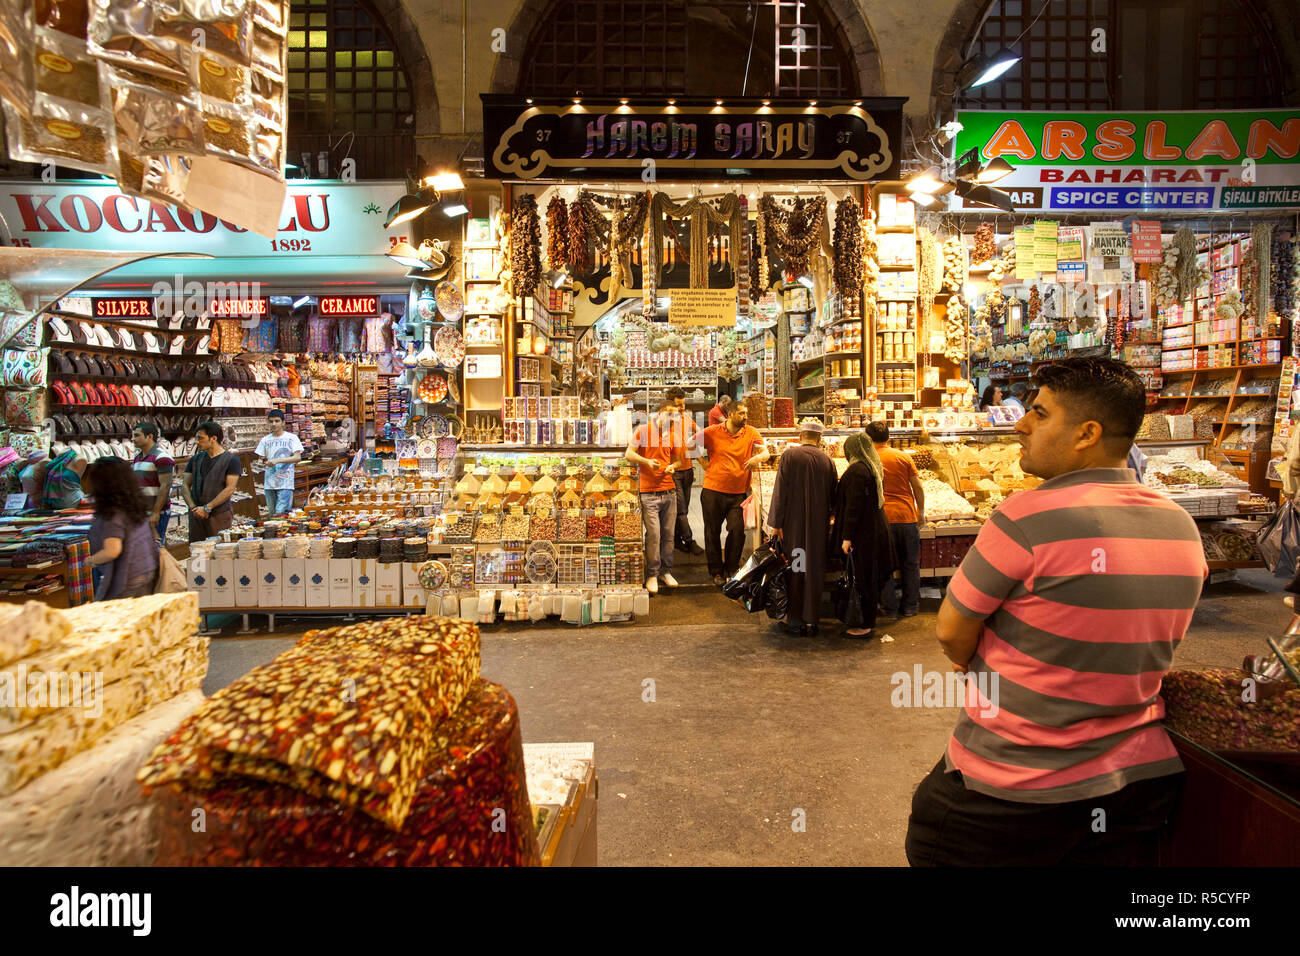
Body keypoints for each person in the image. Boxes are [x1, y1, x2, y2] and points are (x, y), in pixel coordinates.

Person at [905, 357, 1208, 866]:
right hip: (1137, 787)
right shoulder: (1181, 526)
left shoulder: (1025, 515)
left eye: (1040, 414)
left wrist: (979, 666)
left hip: (1013, 790)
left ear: (1087, 432)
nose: (1020, 424)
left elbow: (952, 630)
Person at [766, 418, 837, 637]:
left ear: (800, 437)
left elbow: (780, 492)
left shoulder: (789, 456)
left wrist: (775, 525)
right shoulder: (827, 460)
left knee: (797, 569)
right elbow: (834, 496)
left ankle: (795, 621)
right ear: (820, 438)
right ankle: (812, 621)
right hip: (818, 530)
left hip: (794, 529)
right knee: (814, 572)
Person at [699, 400, 768, 586]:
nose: (745, 417)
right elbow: (690, 444)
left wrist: (758, 457)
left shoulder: (751, 432)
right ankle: (716, 572)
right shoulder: (712, 432)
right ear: (730, 415)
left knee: (737, 530)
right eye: (741, 414)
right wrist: (703, 463)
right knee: (712, 532)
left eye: (746, 413)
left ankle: (731, 568)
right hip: (712, 491)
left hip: (738, 493)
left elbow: (766, 452)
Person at [833, 433, 894, 638]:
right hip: (874, 530)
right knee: (869, 576)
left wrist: (847, 537)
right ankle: (867, 618)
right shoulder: (870, 467)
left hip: (863, 535)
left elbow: (854, 507)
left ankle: (865, 624)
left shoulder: (857, 471)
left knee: (864, 577)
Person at [626, 396, 688, 595]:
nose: (674, 419)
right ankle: (652, 573)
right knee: (654, 535)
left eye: (676, 416)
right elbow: (629, 454)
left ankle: (666, 571)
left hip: (669, 491)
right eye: (671, 415)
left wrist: (672, 467)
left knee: (668, 535)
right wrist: (646, 462)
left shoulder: (674, 434)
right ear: (661, 413)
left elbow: (678, 461)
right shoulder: (642, 431)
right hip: (648, 493)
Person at [867, 422, 926, 620]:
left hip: (883, 519)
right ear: (888, 438)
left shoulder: (869, 459)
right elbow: (917, 487)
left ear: (868, 439)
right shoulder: (903, 457)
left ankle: (889, 608)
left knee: (885, 564)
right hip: (907, 517)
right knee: (910, 564)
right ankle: (910, 606)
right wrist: (921, 511)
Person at [85, 456, 159, 600]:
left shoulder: (112, 514)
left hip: (127, 574)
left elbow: (112, 551)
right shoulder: (135, 505)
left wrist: (90, 560)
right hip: (146, 567)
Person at [182, 422, 242, 542]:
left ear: (213, 438)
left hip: (219, 515)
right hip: (196, 515)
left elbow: (229, 488)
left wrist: (207, 508)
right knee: (197, 553)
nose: (196, 442)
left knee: (220, 552)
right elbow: (185, 485)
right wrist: (194, 507)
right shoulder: (195, 459)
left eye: (200, 438)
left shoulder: (231, 460)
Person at [665, 386, 704, 557]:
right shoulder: (663, 422)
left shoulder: (686, 418)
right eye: (679, 405)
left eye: (683, 404)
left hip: (688, 470)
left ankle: (675, 541)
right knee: (681, 511)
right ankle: (689, 541)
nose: (682, 408)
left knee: (684, 509)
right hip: (673, 472)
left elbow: (700, 433)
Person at [132, 421, 174, 542]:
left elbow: (165, 486)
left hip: (157, 513)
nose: (133, 439)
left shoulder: (162, 458)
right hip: (143, 512)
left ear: (149, 436)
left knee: (156, 548)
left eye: (137, 435)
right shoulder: (137, 458)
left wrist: (156, 512)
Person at [256, 410, 304, 517]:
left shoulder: (292, 438)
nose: (274, 424)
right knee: (272, 515)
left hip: (285, 483)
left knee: (280, 515)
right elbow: (261, 458)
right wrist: (263, 462)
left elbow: (297, 457)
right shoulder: (265, 440)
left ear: (283, 422)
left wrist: (278, 460)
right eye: (271, 421)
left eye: (277, 421)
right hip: (269, 483)